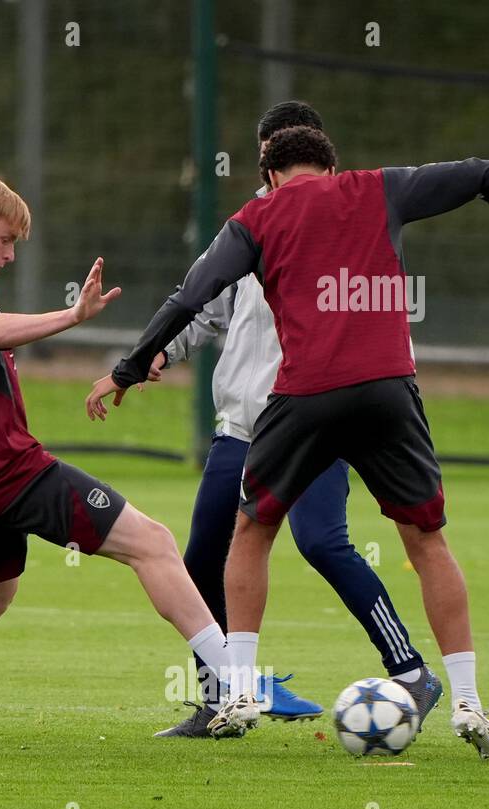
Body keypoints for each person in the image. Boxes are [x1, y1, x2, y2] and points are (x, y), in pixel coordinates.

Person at [90, 126, 489, 759]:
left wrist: (130, 367)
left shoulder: (255, 217)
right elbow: (485, 171)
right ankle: (467, 703)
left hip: (306, 397)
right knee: (426, 542)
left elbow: (191, 296)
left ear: (268, 175)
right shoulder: (378, 189)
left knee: (252, 532)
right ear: (332, 166)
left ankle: (236, 692)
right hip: (389, 391)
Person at [0, 173, 233, 747]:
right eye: (5, 240)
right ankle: (234, 683)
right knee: (152, 542)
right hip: (7, 473)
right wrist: (72, 317)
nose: (8, 255)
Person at [150, 101, 434, 738]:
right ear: (264, 158)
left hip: (313, 416)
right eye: (273, 150)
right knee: (201, 558)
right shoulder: (244, 228)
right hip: (241, 425)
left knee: (323, 542)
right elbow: (202, 308)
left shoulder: (348, 216)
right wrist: (162, 350)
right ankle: (223, 695)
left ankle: (411, 668)